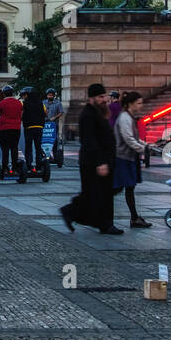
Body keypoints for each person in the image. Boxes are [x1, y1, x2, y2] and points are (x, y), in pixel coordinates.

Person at [60, 83, 122, 235]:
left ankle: (73, 213)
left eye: (104, 96)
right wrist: (100, 162)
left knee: (98, 193)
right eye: (100, 97)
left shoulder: (98, 112)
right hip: (93, 162)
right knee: (97, 194)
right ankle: (105, 224)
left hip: (102, 160)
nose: (104, 99)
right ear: (92, 98)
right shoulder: (88, 114)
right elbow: (89, 140)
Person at [113, 91, 151, 228]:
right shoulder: (125, 117)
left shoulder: (129, 117)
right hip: (122, 157)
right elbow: (127, 138)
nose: (141, 106)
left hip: (128, 157)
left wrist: (145, 145)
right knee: (118, 188)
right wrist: (142, 149)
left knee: (128, 187)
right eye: (139, 103)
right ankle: (94, 208)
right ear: (130, 104)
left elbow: (133, 138)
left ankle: (134, 218)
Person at [0, 84, 23, 174]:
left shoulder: (2, 103)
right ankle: (15, 168)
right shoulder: (18, 103)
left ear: (4, 94)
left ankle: (5, 168)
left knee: (5, 149)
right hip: (16, 129)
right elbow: (22, 114)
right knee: (14, 148)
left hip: (4, 129)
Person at [20, 87, 46, 169]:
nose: (23, 97)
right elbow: (45, 112)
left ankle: (29, 164)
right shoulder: (41, 103)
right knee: (38, 147)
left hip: (29, 127)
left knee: (29, 147)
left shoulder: (24, 103)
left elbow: (21, 114)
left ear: (27, 95)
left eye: (24, 95)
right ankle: (39, 165)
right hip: (39, 127)